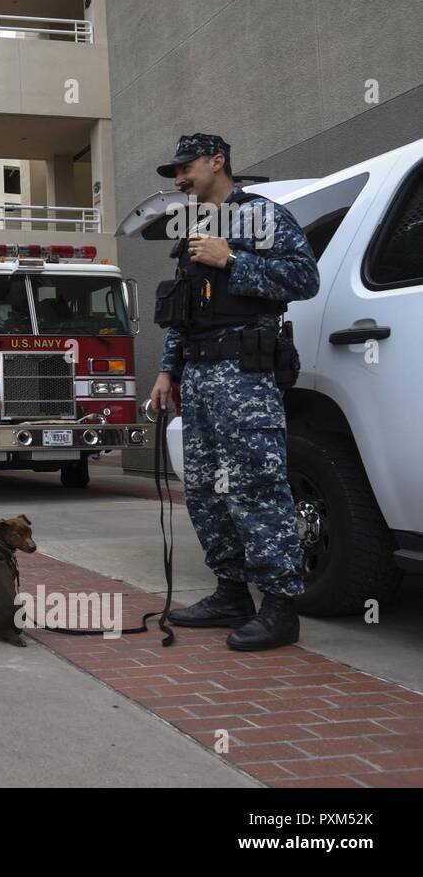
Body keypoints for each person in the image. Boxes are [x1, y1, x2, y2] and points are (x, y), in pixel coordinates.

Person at [148, 133, 319, 652]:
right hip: (197, 378)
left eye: (185, 168)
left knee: (255, 486)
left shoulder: (260, 216)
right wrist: (165, 371)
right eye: (174, 171)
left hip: (244, 374)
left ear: (217, 161)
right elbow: (185, 312)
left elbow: (304, 278)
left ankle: (281, 607)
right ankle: (230, 593)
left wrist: (233, 262)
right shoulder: (196, 228)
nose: (179, 179)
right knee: (204, 489)